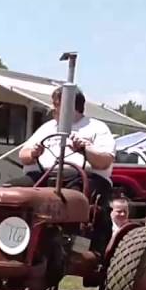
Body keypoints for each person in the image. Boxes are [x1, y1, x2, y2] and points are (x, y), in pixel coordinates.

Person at [17, 86, 116, 252]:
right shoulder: (47, 128)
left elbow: (104, 162)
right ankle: (17, 239)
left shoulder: (97, 128)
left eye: (56, 105)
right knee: (11, 192)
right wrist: (33, 153)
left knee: (73, 197)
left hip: (83, 176)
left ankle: (76, 247)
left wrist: (86, 149)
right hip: (44, 176)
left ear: (70, 106)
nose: (51, 109)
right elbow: (23, 155)